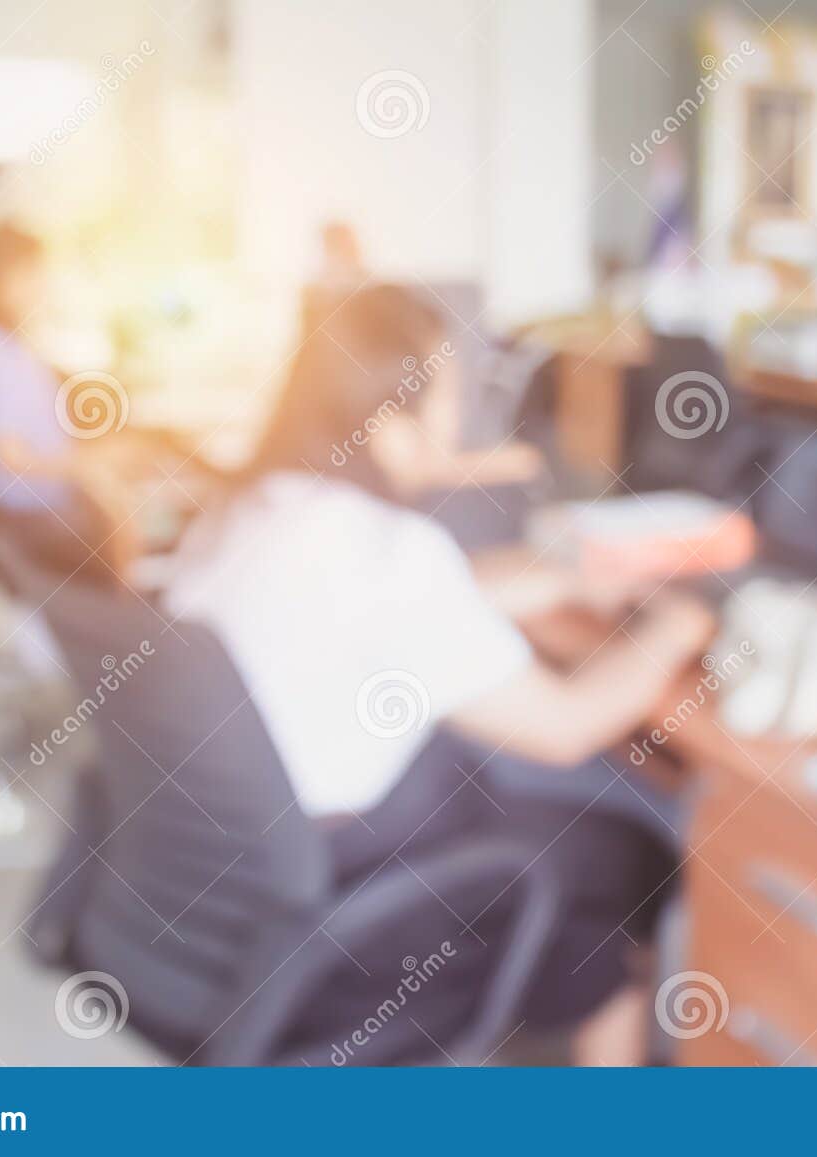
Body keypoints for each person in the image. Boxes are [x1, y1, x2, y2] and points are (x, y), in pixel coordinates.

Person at [164, 285, 715, 1064]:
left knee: (543, 850)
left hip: (242, 882)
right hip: (355, 896)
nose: (458, 421)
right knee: (627, 854)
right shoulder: (386, 551)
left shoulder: (255, 510)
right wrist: (677, 628)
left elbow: (387, 604)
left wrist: (560, 578)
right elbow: (565, 728)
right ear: (390, 424)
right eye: (451, 394)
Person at [0, 223, 138, 579]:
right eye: (32, 274)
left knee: (123, 506)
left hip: (39, 504)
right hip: (18, 517)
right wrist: (85, 466)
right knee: (124, 520)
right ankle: (125, 615)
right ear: (0, 280)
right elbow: (11, 456)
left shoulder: (11, 346)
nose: (42, 286)